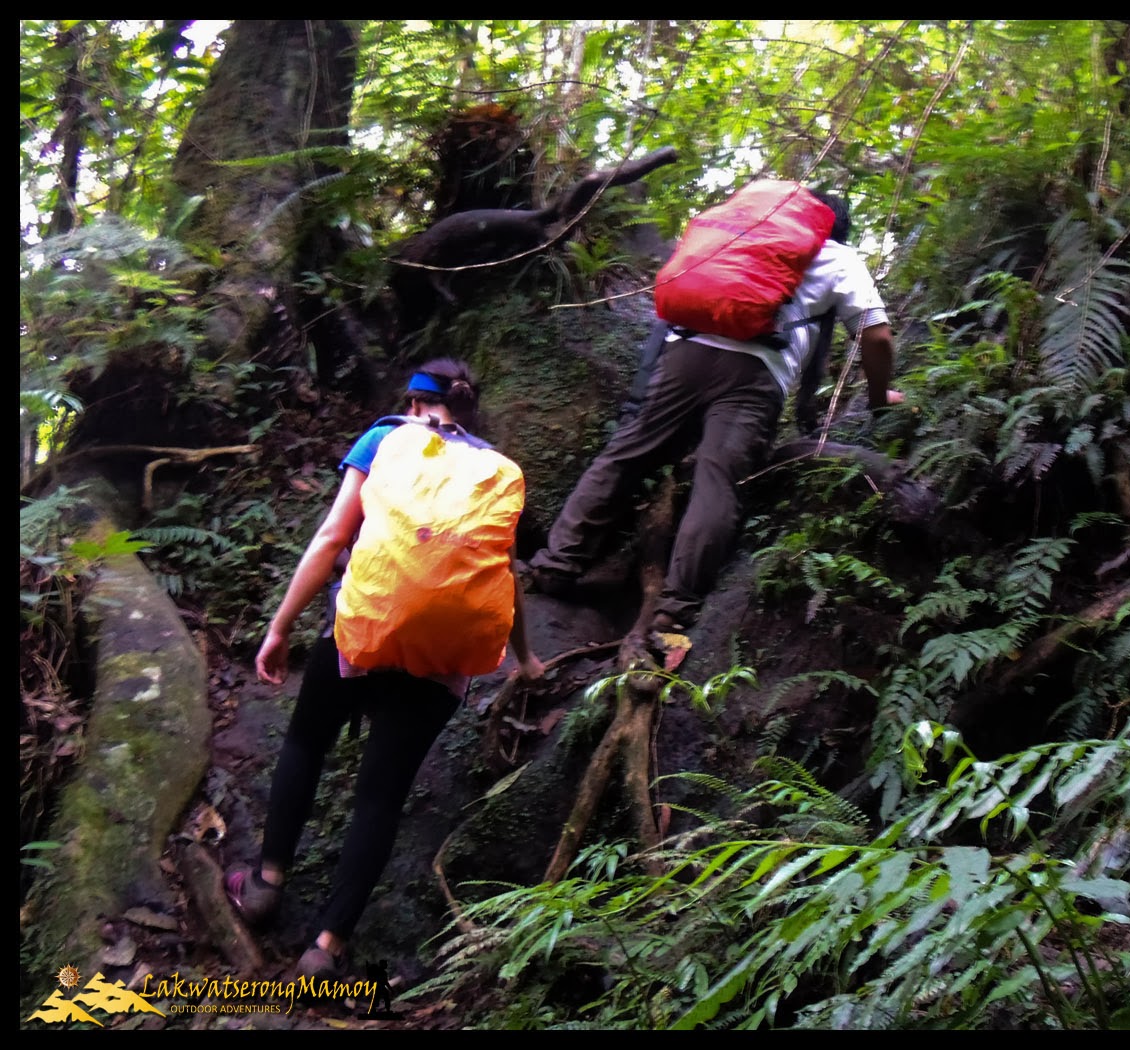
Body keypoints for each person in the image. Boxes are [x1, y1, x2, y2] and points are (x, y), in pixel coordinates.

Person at [225, 358, 545, 981]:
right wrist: (525, 657)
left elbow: (330, 538)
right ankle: (326, 947)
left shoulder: (386, 437)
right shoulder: (498, 472)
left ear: (415, 401)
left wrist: (280, 626)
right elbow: (503, 575)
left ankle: (265, 883)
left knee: (306, 742)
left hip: (360, 632)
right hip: (442, 661)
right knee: (381, 795)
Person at [524, 189, 903, 649]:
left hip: (684, 353)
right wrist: (880, 396)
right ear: (839, 226)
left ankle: (555, 565)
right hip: (755, 375)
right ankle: (674, 609)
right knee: (716, 480)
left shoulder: (747, 230)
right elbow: (877, 336)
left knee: (625, 456)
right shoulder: (839, 256)